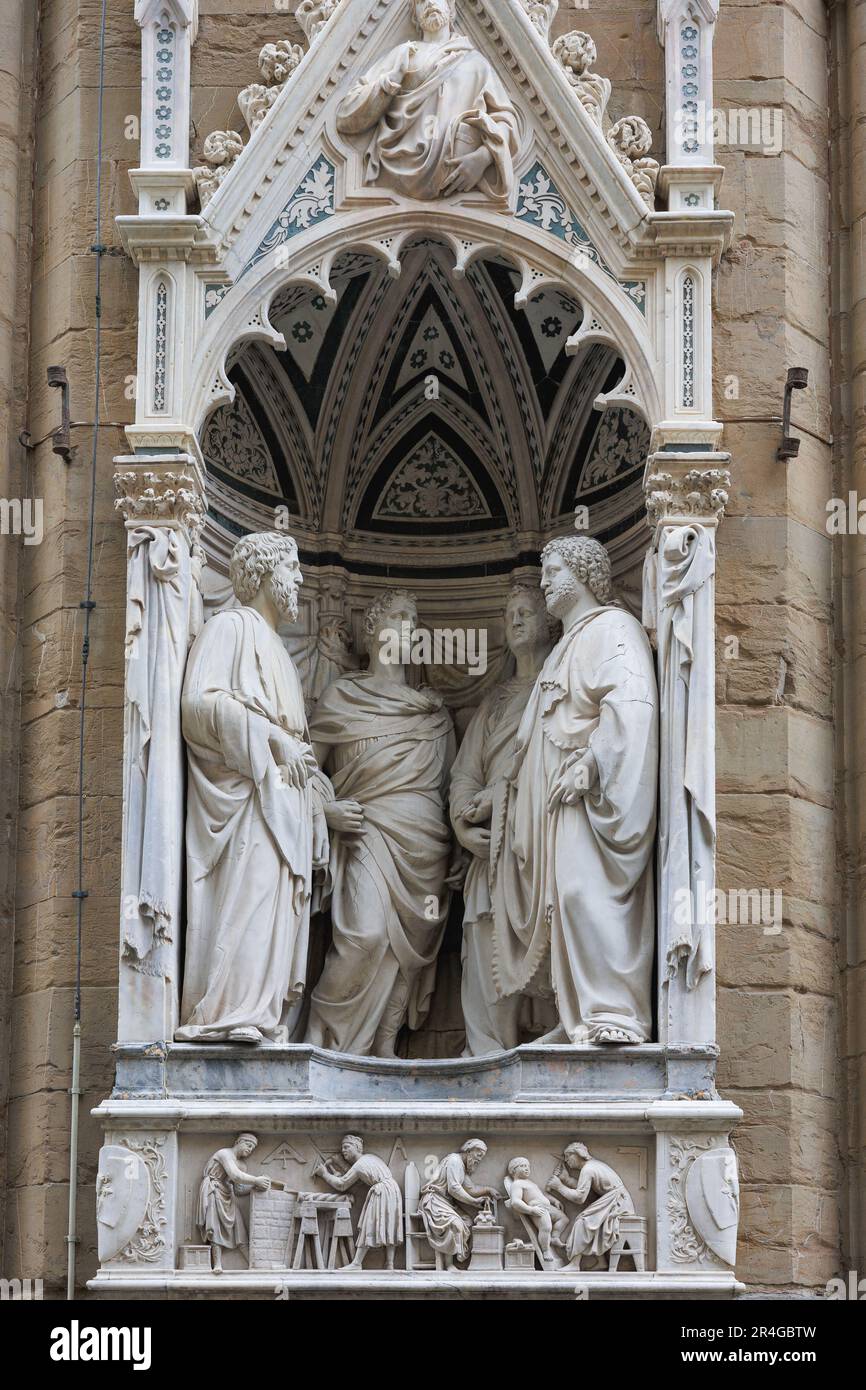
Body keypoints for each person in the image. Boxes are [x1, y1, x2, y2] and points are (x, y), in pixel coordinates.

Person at [492, 536, 658, 1045]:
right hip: (557, 805)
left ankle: (617, 1012)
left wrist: (591, 763)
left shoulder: (613, 628)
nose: (545, 582)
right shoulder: (560, 650)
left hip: (587, 797)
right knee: (566, 899)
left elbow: (631, 704)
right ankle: (580, 1017)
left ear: (585, 574)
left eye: (555, 570)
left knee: (586, 893)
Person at [176, 532, 331, 1044]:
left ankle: (261, 1016)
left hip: (283, 804)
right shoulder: (229, 628)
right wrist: (268, 739)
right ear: (264, 572)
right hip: (247, 801)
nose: (301, 580)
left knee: (274, 911)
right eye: (292, 569)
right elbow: (197, 709)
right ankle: (228, 1012)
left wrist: (319, 799)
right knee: (249, 900)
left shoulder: (281, 655)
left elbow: (298, 748)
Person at [306, 591, 456, 1057]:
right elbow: (305, 769)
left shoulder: (433, 712)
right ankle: (324, 1042)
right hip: (366, 831)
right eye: (396, 616)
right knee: (365, 935)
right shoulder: (342, 696)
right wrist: (324, 813)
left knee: (410, 948)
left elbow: (453, 787)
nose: (407, 624)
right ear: (371, 630)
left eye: (413, 618)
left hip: (427, 843)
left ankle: (386, 1046)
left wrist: (466, 845)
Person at [450, 585, 555, 1054]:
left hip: (540, 836)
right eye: (509, 613)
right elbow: (464, 773)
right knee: (485, 943)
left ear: (549, 621)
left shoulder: (560, 685)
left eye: (526, 612)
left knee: (547, 937)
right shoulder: (493, 703)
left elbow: (559, 755)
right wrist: (463, 825)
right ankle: (489, 1055)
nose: (515, 621)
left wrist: (503, 795)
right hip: (489, 846)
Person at [336, 0, 520, 202]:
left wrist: (482, 158)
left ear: (450, 9)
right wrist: (391, 80)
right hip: (396, 164)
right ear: (415, 15)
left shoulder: (475, 63)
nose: (431, 2)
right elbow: (346, 115)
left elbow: (506, 120)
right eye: (421, 1)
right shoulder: (404, 54)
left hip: (454, 169)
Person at [314, 1134, 403, 1271]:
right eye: (342, 1148)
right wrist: (338, 1167)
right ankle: (389, 1264)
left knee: (369, 1223)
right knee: (389, 1224)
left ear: (356, 1147)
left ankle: (357, 1263)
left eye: (346, 1147)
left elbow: (342, 1184)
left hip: (381, 1191)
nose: (343, 1151)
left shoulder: (360, 1164)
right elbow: (354, 1178)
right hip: (392, 1190)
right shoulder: (371, 1158)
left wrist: (324, 1173)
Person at [546, 1142, 635, 1271]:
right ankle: (602, 1262)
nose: (566, 1161)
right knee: (591, 1219)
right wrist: (566, 1179)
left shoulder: (588, 1169)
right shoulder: (594, 1165)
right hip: (616, 1200)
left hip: (617, 1204)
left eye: (568, 1156)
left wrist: (559, 1187)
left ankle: (575, 1264)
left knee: (582, 1222)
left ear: (578, 1155)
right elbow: (587, 1190)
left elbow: (580, 1197)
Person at [418, 1138, 500, 1269]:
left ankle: (463, 1259)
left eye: (482, 1157)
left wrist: (489, 1190)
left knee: (467, 1221)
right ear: (469, 1150)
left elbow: (471, 1188)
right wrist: (474, 1202)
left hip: (445, 1202)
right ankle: (449, 1265)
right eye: (478, 1154)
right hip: (434, 1201)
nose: (479, 1159)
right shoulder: (454, 1161)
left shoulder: (461, 1166)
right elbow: (454, 1189)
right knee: (455, 1224)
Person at [198, 1134, 270, 1273]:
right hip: (214, 1191)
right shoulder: (224, 1154)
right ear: (238, 1142)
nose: (250, 1150)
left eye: (253, 1148)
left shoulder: (242, 1165)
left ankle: (252, 1264)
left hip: (228, 1195)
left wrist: (256, 1186)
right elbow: (235, 1175)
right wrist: (256, 1180)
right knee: (215, 1227)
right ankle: (217, 1264)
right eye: (248, 1145)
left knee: (240, 1228)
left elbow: (239, 1190)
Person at [504, 1156, 569, 1264]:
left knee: (564, 1219)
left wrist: (554, 1201)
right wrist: (531, 1210)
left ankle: (554, 1237)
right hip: (537, 1208)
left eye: (528, 1166)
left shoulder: (530, 1182)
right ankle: (546, 1250)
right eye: (523, 1166)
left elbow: (542, 1194)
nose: (527, 1168)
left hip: (547, 1207)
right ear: (513, 1170)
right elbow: (515, 1202)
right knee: (546, 1227)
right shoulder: (517, 1184)